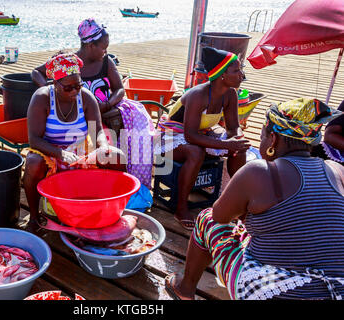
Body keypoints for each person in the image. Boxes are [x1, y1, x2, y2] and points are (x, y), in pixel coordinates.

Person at [164, 97, 344, 300]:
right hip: (336, 290)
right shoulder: (337, 170)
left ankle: (185, 290)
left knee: (207, 219)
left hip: (274, 292)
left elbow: (220, 215)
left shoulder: (259, 172)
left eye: (262, 135)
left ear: (273, 140)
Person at [31, 18, 156, 196]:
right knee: (36, 161)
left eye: (78, 86)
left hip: (103, 111)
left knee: (129, 137)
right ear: (90, 46)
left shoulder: (98, 76)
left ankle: (115, 192)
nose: (106, 52)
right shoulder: (66, 66)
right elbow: (37, 72)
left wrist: (106, 106)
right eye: (103, 48)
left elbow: (119, 90)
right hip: (64, 138)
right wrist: (50, 92)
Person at [23, 53, 125, 234]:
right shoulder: (42, 98)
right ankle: (33, 216)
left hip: (80, 150)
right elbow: (34, 139)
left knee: (116, 156)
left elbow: (98, 130)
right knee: (32, 164)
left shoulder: (85, 97)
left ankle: (112, 209)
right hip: (49, 151)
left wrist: (102, 146)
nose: (74, 91)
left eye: (78, 85)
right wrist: (60, 154)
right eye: (68, 88)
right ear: (55, 84)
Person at [154, 46, 250, 230]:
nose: (241, 75)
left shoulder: (230, 94)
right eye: (236, 70)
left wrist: (237, 138)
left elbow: (233, 126)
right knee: (195, 152)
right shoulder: (198, 95)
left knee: (240, 149)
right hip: (172, 135)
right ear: (222, 75)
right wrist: (224, 143)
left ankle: (237, 204)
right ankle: (181, 208)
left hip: (199, 134)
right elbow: (190, 136)